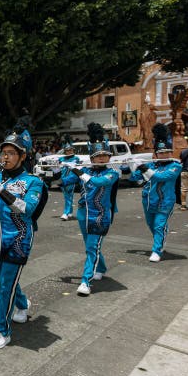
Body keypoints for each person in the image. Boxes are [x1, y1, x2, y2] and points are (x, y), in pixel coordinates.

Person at [0, 122, 47, 349]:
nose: (5, 157)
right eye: (3, 153)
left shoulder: (33, 182)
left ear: (22, 155)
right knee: (4, 278)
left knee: (6, 284)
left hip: (18, 236)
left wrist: (1, 190)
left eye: (11, 153)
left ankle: (2, 331)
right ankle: (22, 303)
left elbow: (27, 209)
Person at [71, 123, 119, 295]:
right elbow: (67, 181)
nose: (101, 158)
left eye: (105, 155)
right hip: (83, 213)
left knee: (92, 248)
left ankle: (86, 281)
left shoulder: (113, 173)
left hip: (100, 215)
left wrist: (80, 173)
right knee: (91, 246)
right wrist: (64, 166)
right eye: (98, 155)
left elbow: (98, 182)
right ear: (91, 157)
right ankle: (102, 267)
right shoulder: (84, 169)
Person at [129, 124, 181, 262]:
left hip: (165, 202)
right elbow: (135, 179)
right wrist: (133, 166)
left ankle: (157, 250)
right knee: (152, 225)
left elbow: (160, 177)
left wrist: (143, 167)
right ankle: (161, 238)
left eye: (167, 152)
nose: (164, 155)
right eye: (161, 153)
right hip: (148, 200)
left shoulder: (176, 166)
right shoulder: (151, 164)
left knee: (159, 225)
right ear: (156, 153)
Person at [58, 134, 81, 220]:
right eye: (67, 150)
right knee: (66, 196)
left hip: (71, 180)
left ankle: (65, 213)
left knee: (69, 196)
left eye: (71, 150)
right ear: (65, 151)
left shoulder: (76, 158)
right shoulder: (61, 159)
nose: (69, 151)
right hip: (62, 180)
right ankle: (70, 211)